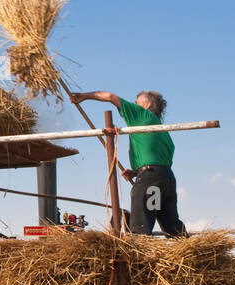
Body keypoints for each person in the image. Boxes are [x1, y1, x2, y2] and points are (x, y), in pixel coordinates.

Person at [68, 89, 187, 237]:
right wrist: (137, 172)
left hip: (150, 181)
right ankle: (193, 251)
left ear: (147, 104)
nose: (134, 104)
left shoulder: (141, 115)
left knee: (140, 228)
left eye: (137, 102)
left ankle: (138, 256)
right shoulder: (161, 130)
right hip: (164, 180)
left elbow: (111, 97)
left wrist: (84, 96)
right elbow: (160, 160)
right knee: (170, 224)